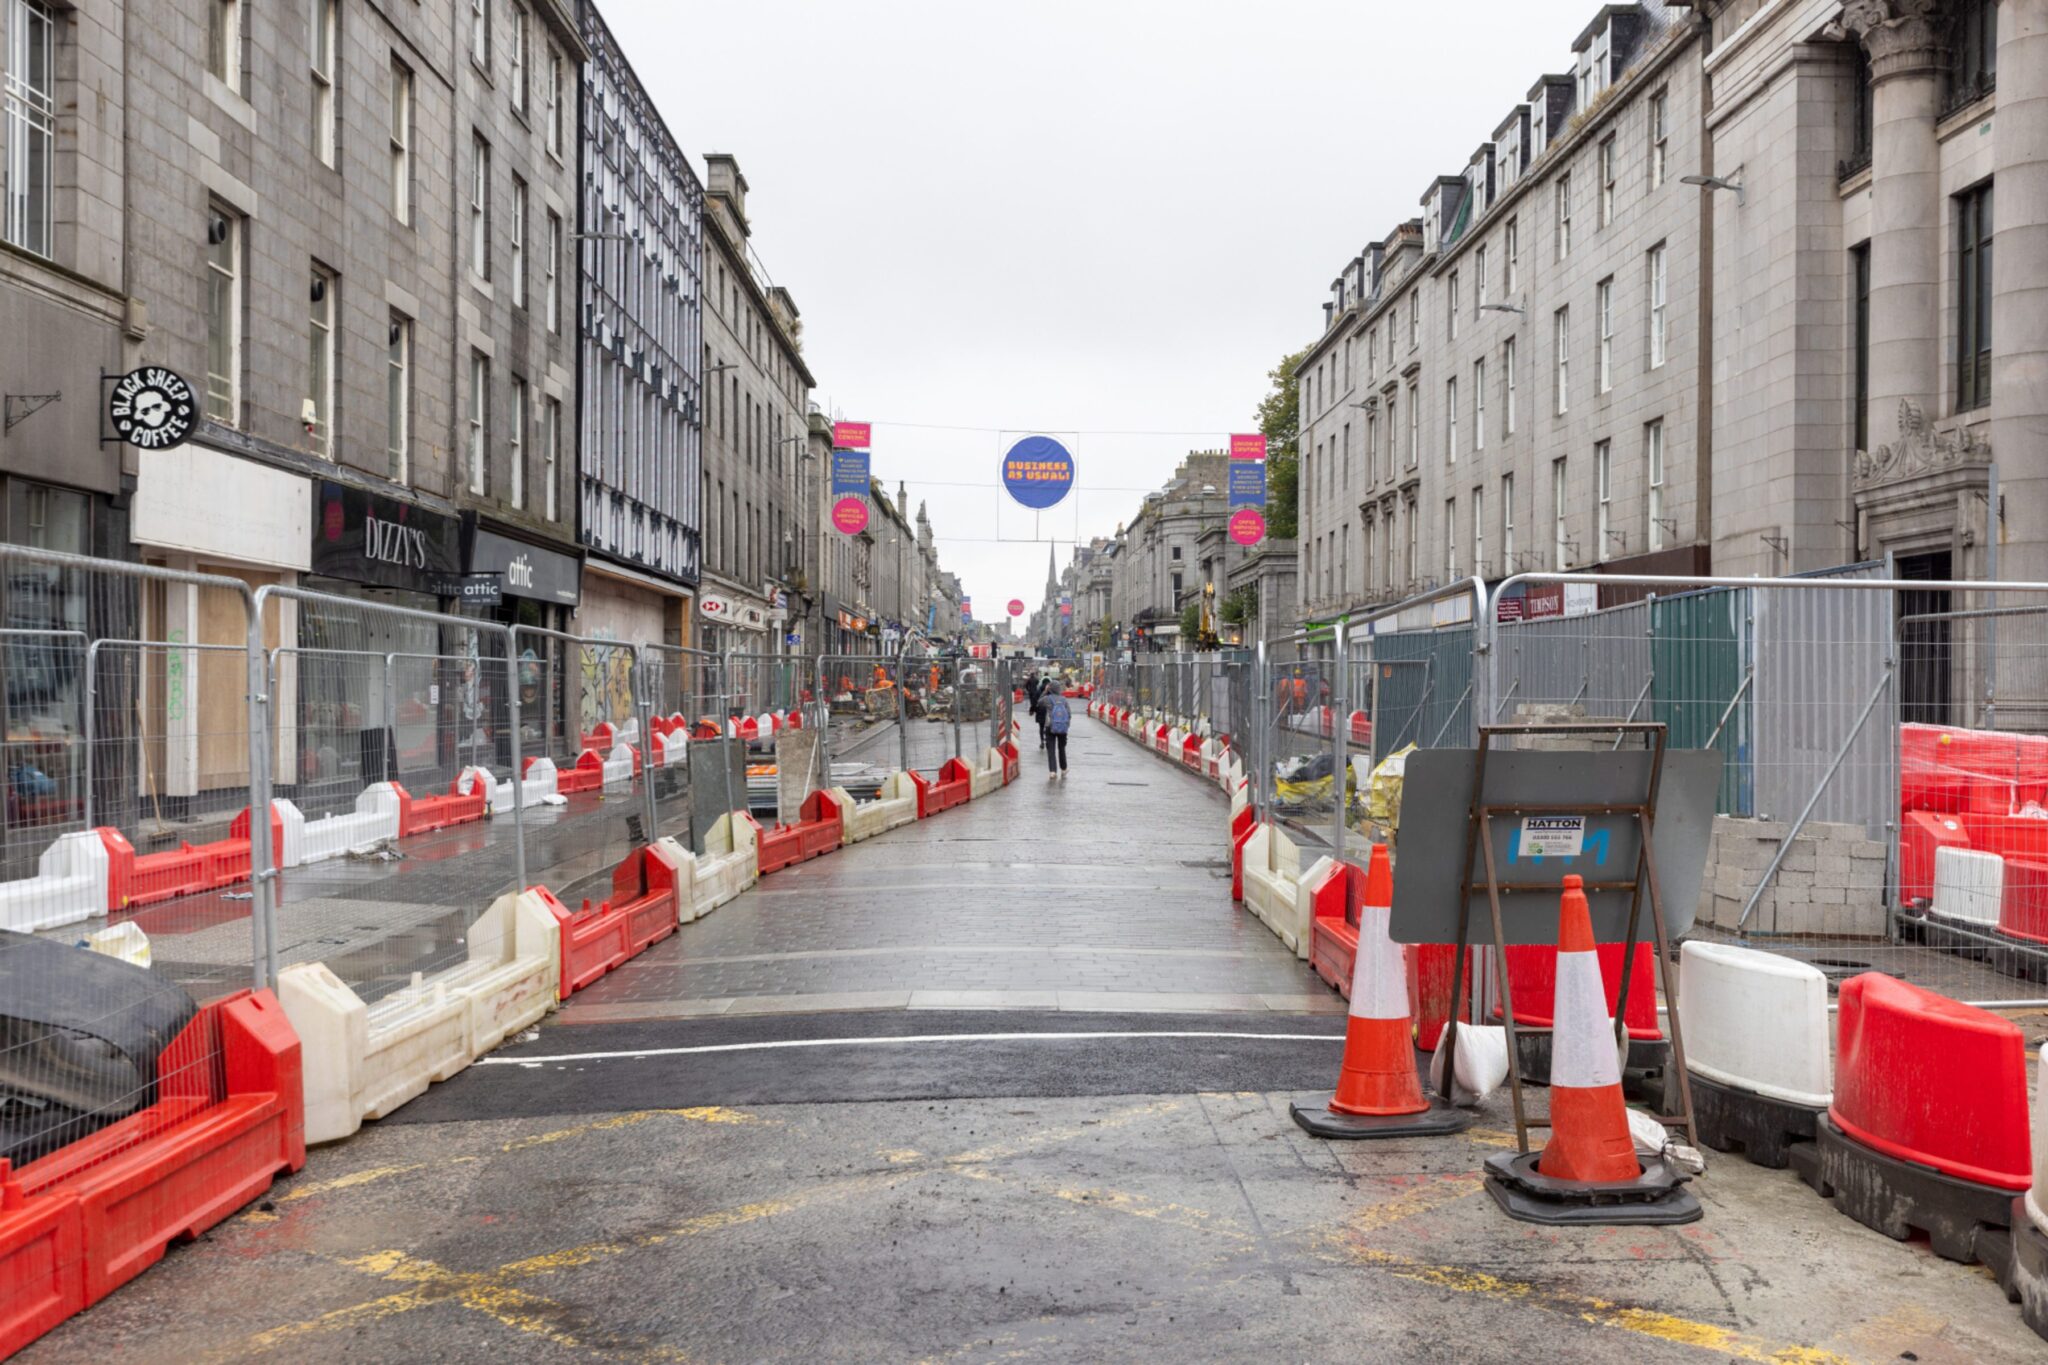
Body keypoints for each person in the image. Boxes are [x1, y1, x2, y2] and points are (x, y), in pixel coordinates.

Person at [1044, 690, 1071, 778]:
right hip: (1062, 728)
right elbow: (1069, 714)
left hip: (1050, 726)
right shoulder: (1064, 699)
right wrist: (1066, 725)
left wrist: (1045, 691)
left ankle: (1052, 771)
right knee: (1061, 748)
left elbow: (1038, 703)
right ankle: (1063, 769)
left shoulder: (1047, 698)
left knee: (1051, 749)